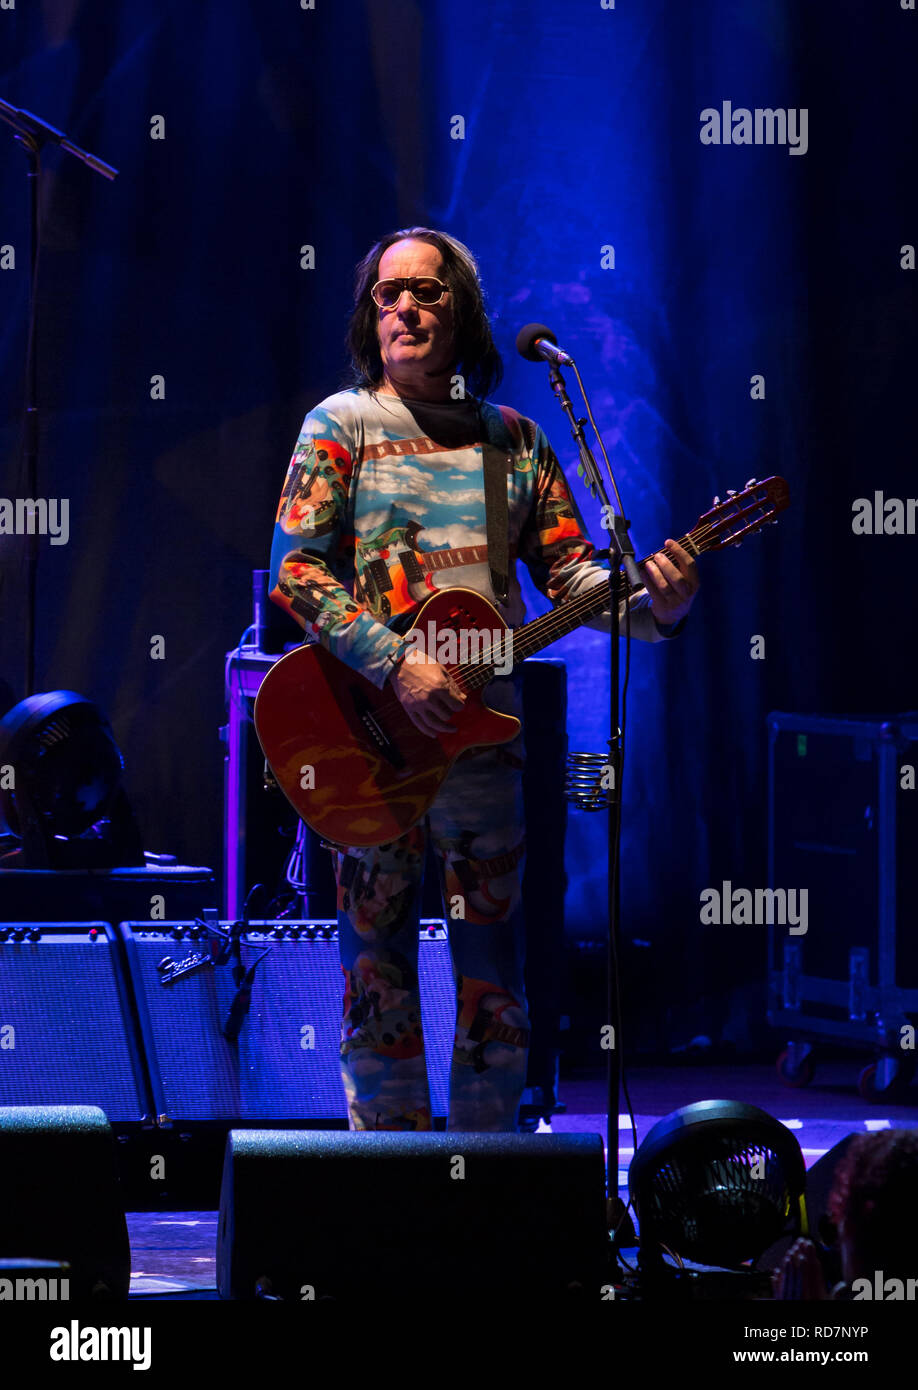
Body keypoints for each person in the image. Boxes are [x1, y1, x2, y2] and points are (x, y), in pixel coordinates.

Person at [268, 227, 699, 1132]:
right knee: (374, 971)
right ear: (368, 315)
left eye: (425, 292)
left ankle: (484, 1182)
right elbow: (298, 573)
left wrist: (658, 601)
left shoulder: (516, 442)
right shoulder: (338, 427)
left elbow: (575, 576)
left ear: (460, 309)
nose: (405, 309)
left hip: (483, 751)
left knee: (494, 972)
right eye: (387, 296)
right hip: (371, 742)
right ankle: (387, 1194)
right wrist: (397, 661)